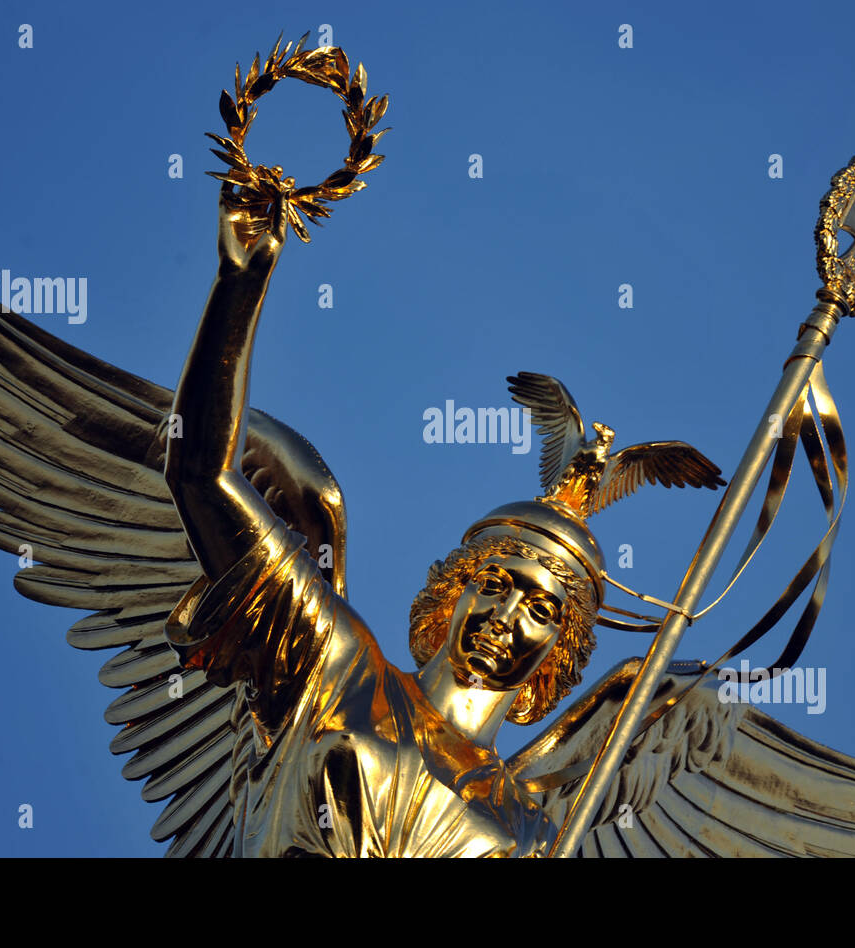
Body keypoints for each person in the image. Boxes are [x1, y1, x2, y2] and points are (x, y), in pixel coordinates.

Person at [161, 188, 604, 857]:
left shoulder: (536, 827)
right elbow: (200, 475)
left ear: (556, 656)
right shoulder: (337, 664)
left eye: (541, 608)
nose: (507, 613)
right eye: (496, 582)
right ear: (455, 590)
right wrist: (238, 288)